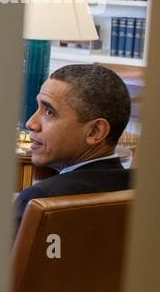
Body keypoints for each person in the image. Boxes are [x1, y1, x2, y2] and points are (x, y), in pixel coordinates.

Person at [15, 63, 133, 229]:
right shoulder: (143, 192)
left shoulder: (39, 200)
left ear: (95, 132)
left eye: (49, 112)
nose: (31, 123)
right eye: (38, 107)